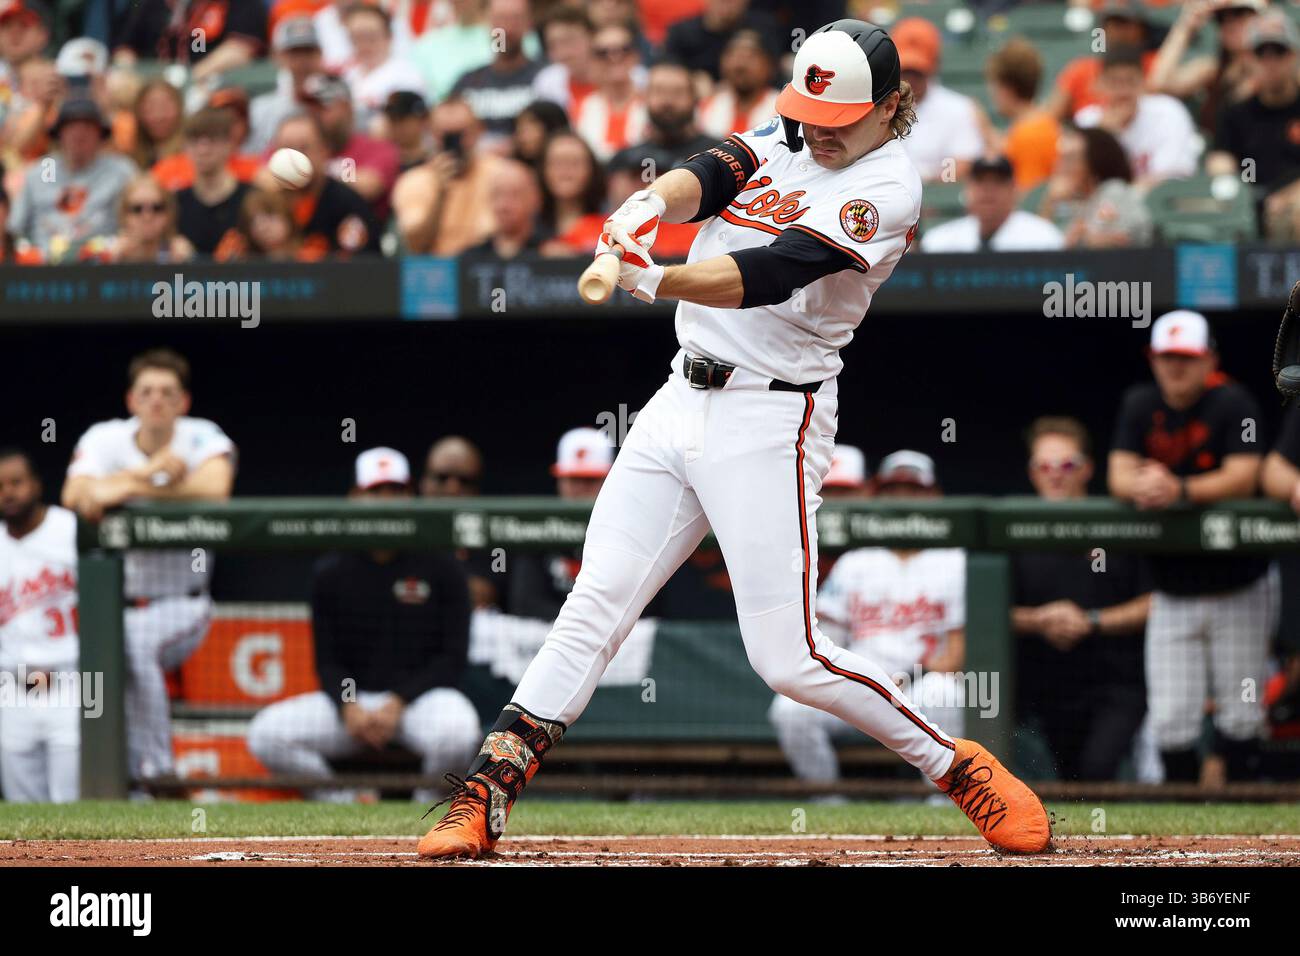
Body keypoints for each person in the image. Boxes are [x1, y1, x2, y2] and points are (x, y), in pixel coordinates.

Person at [418, 18, 1051, 861]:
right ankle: (483, 795)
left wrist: (654, 274)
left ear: (892, 106)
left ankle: (957, 766)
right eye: (810, 115)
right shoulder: (798, 128)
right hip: (681, 395)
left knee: (788, 659)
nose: (818, 131)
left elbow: (766, 275)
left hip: (773, 416)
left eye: (841, 120)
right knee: (592, 604)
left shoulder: (888, 186)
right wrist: (648, 203)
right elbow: (715, 171)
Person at [248, 448, 481, 802]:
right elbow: (326, 661)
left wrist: (399, 701)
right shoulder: (331, 571)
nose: (386, 502)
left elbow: (451, 658)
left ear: (410, 497)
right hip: (352, 705)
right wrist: (348, 704)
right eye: (375, 492)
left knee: (460, 731)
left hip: (417, 702)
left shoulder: (441, 563)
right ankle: (347, 804)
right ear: (355, 498)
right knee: (266, 733)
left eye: (395, 491)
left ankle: (422, 811)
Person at [1108, 310, 1270, 783]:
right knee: (1172, 722)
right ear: (1154, 359)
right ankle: (1187, 819)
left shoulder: (1234, 402)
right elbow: (1118, 474)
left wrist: (1177, 490)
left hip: (1238, 584)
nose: (1175, 368)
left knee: (1242, 716)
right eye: (1167, 358)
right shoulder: (1140, 403)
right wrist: (1147, 486)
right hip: (1172, 589)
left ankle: (1241, 815)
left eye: (1186, 358)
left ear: (1209, 360)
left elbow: (1246, 476)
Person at [62, 349, 236, 782]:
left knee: (135, 644)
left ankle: (157, 772)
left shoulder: (202, 435)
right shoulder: (104, 437)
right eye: (147, 392)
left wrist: (124, 488)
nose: (156, 400)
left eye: (167, 392)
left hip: (184, 602)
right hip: (115, 605)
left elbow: (214, 490)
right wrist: (152, 473)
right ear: (131, 401)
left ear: (184, 402)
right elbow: (76, 496)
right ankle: (120, 781)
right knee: (99, 666)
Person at [770, 451, 966, 784]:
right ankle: (828, 805)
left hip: (920, 682)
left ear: (934, 496)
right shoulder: (857, 560)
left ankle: (941, 804)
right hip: (862, 684)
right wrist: (861, 679)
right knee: (789, 710)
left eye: (913, 491)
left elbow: (957, 654)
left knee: (941, 693)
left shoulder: (954, 559)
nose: (902, 501)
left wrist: (906, 679)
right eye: (893, 491)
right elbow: (822, 639)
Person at [1012, 417, 1151, 782]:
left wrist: (1090, 620)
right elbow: (990, 610)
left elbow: (1155, 602)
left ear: (1088, 469)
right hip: (1045, 684)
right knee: (1059, 779)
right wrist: (1041, 619)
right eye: (1044, 466)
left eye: (1067, 465)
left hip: (1118, 681)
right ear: (1032, 473)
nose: (1055, 474)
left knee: (1099, 768)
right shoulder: (1013, 529)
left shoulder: (1119, 525)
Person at [0, 449, 80, 803]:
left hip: (73, 679)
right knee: (23, 815)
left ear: (36, 484)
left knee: (73, 802)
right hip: (12, 685)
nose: (8, 493)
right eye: (0, 486)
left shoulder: (70, 528)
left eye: (16, 482)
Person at [1206, 11, 1300, 241]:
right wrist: (1226, 175)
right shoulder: (1236, 111)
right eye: (1261, 53)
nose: (1270, 62)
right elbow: (1220, 158)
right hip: (1250, 202)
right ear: (1249, 59)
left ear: (1294, 56)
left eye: (1279, 52)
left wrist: (1290, 195)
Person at [7, 97, 135, 261]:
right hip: (42, 269)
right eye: (71, 126)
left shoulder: (121, 171)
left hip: (104, 267)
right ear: (58, 133)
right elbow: (14, 228)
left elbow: (139, 223)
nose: (79, 133)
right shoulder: (43, 169)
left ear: (101, 133)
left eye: (88, 126)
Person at [1074, 44, 1201, 189]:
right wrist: (1104, 135)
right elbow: (1081, 181)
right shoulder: (1087, 121)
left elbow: (1173, 175)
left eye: (1130, 81)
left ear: (1142, 82)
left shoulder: (1167, 111)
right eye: (1114, 82)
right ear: (1100, 84)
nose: (1122, 91)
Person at [391, 96, 501, 255]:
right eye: (446, 136)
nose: (456, 144)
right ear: (431, 134)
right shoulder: (413, 182)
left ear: (478, 130)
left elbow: (510, 237)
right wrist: (440, 194)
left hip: (486, 267)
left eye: (461, 134)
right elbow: (416, 245)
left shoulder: (501, 175)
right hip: (436, 273)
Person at [264, 112, 382, 256]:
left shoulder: (347, 204)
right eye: (286, 149)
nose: (293, 159)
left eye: (303, 148)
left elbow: (363, 269)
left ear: (324, 151)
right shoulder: (263, 204)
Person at [891, 17, 984, 182]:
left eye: (917, 72)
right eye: (906, 71)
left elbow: (962, 165)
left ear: (934, 66)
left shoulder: (958, 108)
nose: (910, 79)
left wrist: (928, 189)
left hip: (940, 204)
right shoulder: (879, 108)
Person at [1148, 0, 1262, 134]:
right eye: (1222, 19)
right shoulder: (1212, 69)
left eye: (1239, 14)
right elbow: (1159, 83)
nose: (1230, 24)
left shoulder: (1282, 67)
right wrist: (1185, 28)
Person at [301, 72, 400, 222]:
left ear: (346, 107)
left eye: (322, 107)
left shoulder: (377, 148)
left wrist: (308, 173)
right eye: (311, 108)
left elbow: (369, 186)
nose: (315, 115)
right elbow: (264, 176)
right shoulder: (297, 143)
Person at [920, 155, 1064, 253]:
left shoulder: (1043, 237)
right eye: (981, 181)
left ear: (1013, 189)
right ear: (968, 189)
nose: (988, 190)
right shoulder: (940, 240)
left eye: (998, 182)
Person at [1041, 125, 1154, 248]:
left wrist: (1081, 239)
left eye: (1070, 159)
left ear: (1094, 163)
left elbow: (1120, 239)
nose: (1060, 166)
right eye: (1060, 158)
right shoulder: (1062, 201)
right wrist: (1050, 203)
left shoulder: (1115, 192)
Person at [1048, 0, 1160, 121]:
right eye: (1112, 24)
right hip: (1091, 135)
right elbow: (1049, 116)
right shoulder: (1081, 69)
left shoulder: (1156, 64)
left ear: (1141, 30)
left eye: (1125, 24)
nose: (1118, 31)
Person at [449, 0, 543, 140]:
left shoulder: (545, 78)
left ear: (529, 23)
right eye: (501, 18)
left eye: (515, 18)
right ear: (487, 22)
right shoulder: (468, 82)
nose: (507, 28)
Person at [112, 0, 268, 84]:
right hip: (154, 91)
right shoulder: (153, 4)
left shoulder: (240, 3)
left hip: (211, 89)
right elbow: (125, 50)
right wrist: (128, 75)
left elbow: (240, 49)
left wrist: (191, 78)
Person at [174, 108, 252, 256]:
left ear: (230, 144)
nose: (203, 150)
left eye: (213, 140)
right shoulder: (176, 203)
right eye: (194, 141)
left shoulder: (251, 197)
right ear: (185, 147)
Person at [985, 37, 1059, 191]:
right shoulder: (1031, 125)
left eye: (994, 85)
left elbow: (1029, 195)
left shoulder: (1031, 132)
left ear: (1006, 88)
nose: (992, 93)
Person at [248, 16, 325, 155]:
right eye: (294, 53)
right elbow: (252, 153)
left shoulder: (335, 98)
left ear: (319, 54)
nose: (302, 61)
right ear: (278, 56)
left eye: (308, 52)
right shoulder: (261, 105)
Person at [342, 4, 424, 133]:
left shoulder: (406, 75)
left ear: (388, 36)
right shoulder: (348, 75)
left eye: (371, 37)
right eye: (357, 38)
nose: (364, 44)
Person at [572, 21, 646, 161]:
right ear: (592, 60)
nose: (614, 57)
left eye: (624, 50)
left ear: (636, 56)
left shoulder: (654, 105)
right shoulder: (578, 110)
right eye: (603, 53)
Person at [80, 173, 195, 263]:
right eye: (137, 209)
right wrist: (109, 259)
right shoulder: (105, 248)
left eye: (157, 208)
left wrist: (186, 263)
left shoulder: (178, 252)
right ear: (124, 215)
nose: (147, 216)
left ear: (168, 214)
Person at [663, 0, 783, 85]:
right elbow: (667, 70)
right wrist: (690, 79)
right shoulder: (681, 31)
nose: (726, 4)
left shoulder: (763, 28)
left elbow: (775, 73)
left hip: (752, 95)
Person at [697, 28, 778, 140]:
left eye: (751, 57)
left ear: (770, 65)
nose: (740, 65)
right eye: (733, 55)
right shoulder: (705, 108)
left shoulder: (782, 112)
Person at [536, 130, 605, 254]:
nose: (566, 171)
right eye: (557, 163)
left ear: (592, 170)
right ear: (543, 170)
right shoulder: (527, 229)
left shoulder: (609, 228)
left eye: (575, 163)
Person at [465, 159, 544, 258]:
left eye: (514, 195)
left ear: (534, 200)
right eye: (497, 195)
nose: (503, 205)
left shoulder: (550, 254)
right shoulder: (470, 259)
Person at [532, 5, 597, 116]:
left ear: (592, 37)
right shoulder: (546, 83)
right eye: (553, 45)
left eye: (569, 41)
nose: (563, 53)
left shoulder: (631, 78)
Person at [128, 76, 185, 171]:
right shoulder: (130, 152)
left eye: (165, 107)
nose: (159, 116)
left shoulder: (192, 151)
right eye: (150, 108)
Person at [382, 90, 433, 172]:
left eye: (403, 120)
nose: (397, 126)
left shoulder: (436, 160)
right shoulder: (381, 159)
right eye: (393, 120)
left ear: (423, 120)